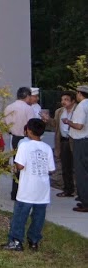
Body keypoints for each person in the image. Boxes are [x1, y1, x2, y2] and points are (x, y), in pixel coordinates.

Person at [1, 118, 55, 251]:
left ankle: (16, 241)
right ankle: (34, 241)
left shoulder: (24, 145)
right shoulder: (47, 147)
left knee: (20, 216)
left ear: (28, 131)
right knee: (38, 217)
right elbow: (51, 169)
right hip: (43, 190)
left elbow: (20, 165)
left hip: (27, 189)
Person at [4, 86, 35, 200]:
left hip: (14, 137)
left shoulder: (9, 107)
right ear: (27, 96)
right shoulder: (28, 109)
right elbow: (31, 125)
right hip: (25, 138)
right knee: (25, 165)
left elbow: (5, 124)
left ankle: (15, 191)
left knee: (16, 164)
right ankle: (24, 191)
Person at [63, 85, 88, 213]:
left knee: (81, 172)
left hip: (81, 140)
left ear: (79, 93)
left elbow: (79, 125)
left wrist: (68, 122)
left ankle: (85, 202)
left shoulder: (82, 106)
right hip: (86, 140)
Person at [52, 91, 77, 198]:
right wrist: (47, 120)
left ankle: (81, 191)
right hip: (63, 141)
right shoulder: (59, 112)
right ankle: (68, 189)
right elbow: (55, 125)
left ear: (73, 101)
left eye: (66, 99)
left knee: (78, 168)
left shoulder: (78, 111)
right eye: (62, 99)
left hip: (76, 141)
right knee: (65, 167)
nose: (63, 102)